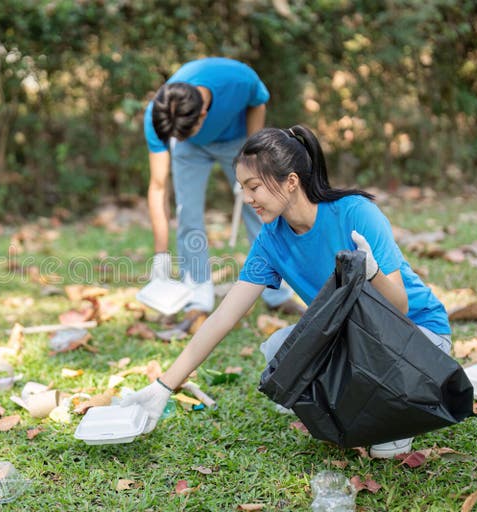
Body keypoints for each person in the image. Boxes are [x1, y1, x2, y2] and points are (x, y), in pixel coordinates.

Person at [122, 125, 453, 459]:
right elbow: (223, 318)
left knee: (383, 450)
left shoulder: (354, 213)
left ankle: (408, 401)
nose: (247, 199)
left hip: (419, 338)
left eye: (254, 187)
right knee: (280, 351)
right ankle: (363, 405)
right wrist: (164, 387)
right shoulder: (270, 242)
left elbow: (400, 305)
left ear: (291, 181)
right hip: (358, 340)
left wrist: (373, 273)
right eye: (242, 189)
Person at [144, 57, 303, 314]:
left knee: (262, 208)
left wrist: (252, 159)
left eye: (183, 133)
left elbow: (258, 101)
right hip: (190, 152)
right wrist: (161, 255)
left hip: (236, 140)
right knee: (189, 214)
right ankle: (197, 296)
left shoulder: (238, 79)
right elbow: (158, 186)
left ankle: (278, 294)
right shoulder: (161, 115)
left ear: (204, 115)